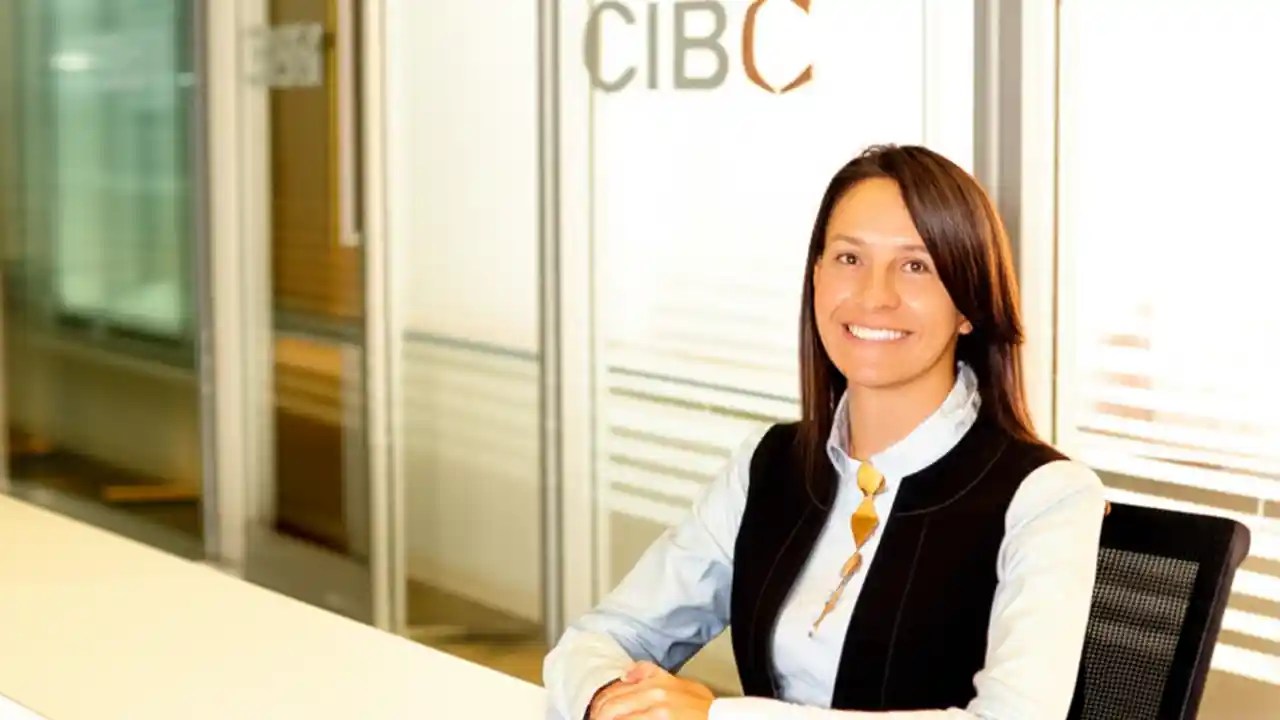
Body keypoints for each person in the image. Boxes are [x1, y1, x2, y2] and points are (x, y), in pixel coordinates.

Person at [543, 144, 1106, 720]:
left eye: (916, 265)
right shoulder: (769, 464)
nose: (874, 295)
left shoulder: (1047, 496)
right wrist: (609, 700)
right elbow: (604, 637)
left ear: (968, 305)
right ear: (816, 277)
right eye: (849, 258)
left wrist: (721, 718)